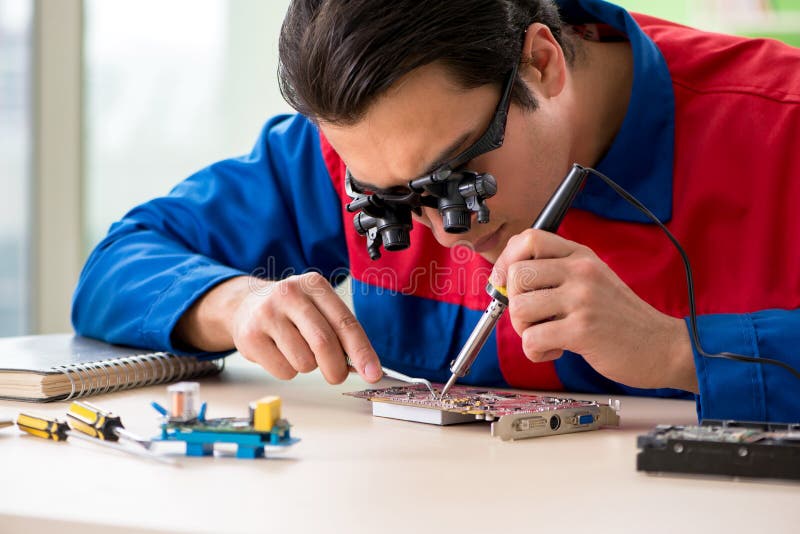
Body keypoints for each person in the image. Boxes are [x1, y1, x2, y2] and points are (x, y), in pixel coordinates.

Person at [72, 0, 800, 422]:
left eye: (456, 177)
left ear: (541, 63)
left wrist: (678, 351)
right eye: (391, 201)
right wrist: (239, 305)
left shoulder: (781, 130)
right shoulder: (365, 143)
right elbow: (122, 261)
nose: (448, 229)